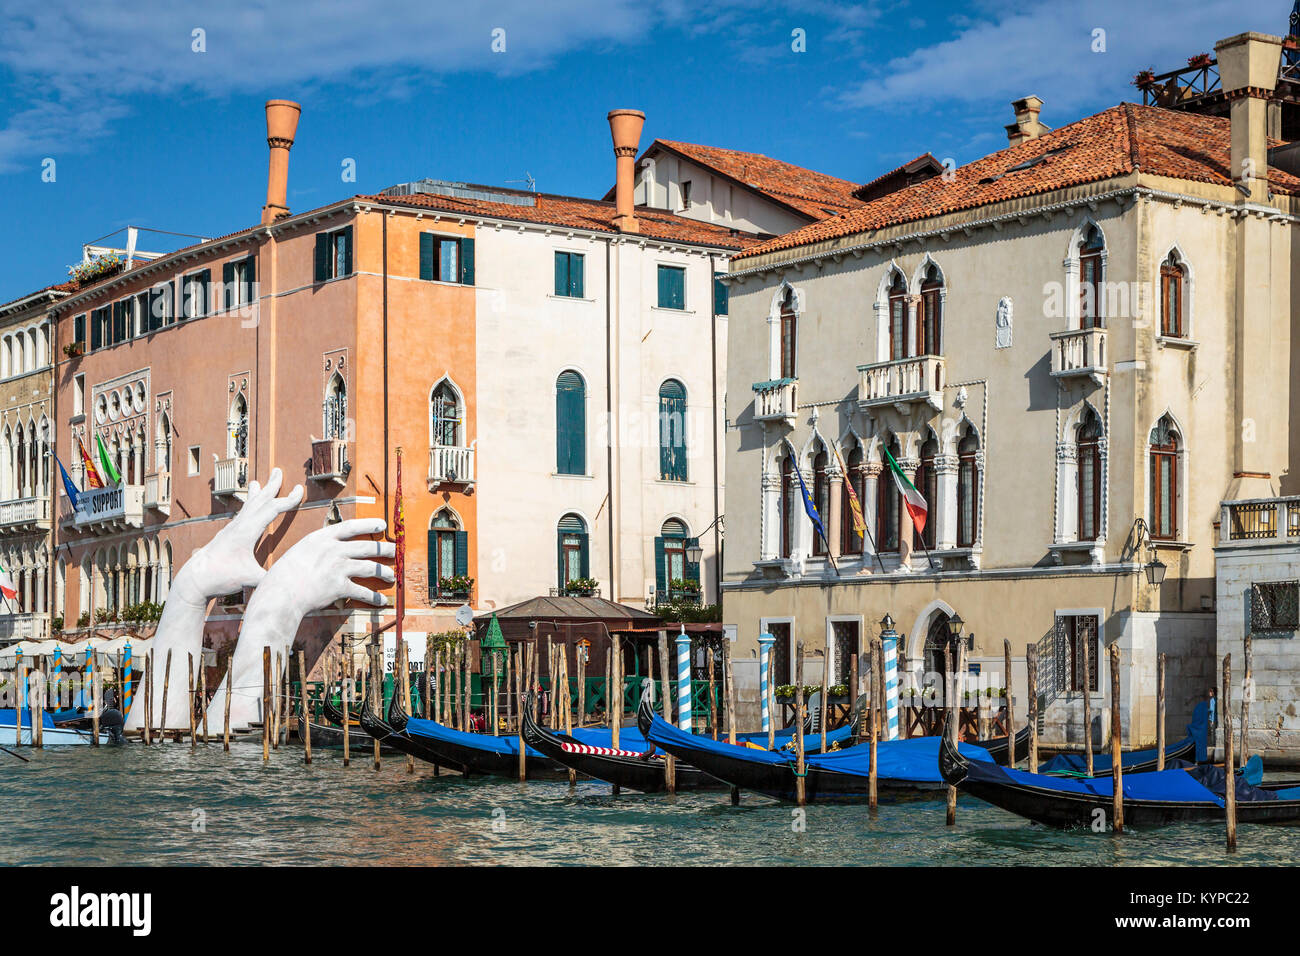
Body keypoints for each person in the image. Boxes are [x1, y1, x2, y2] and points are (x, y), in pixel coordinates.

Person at [1207, 686, 1218, 754]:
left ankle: (1213, 744)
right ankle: (1214, 743)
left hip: (1212, 718)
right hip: (1215, 718)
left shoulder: (1211, 700)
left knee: (1212, 732)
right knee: (1214, 731)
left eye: (1210, 691)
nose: (1209, 693)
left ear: (1213, 692)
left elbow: (1211, 709)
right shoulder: (1216, 699)